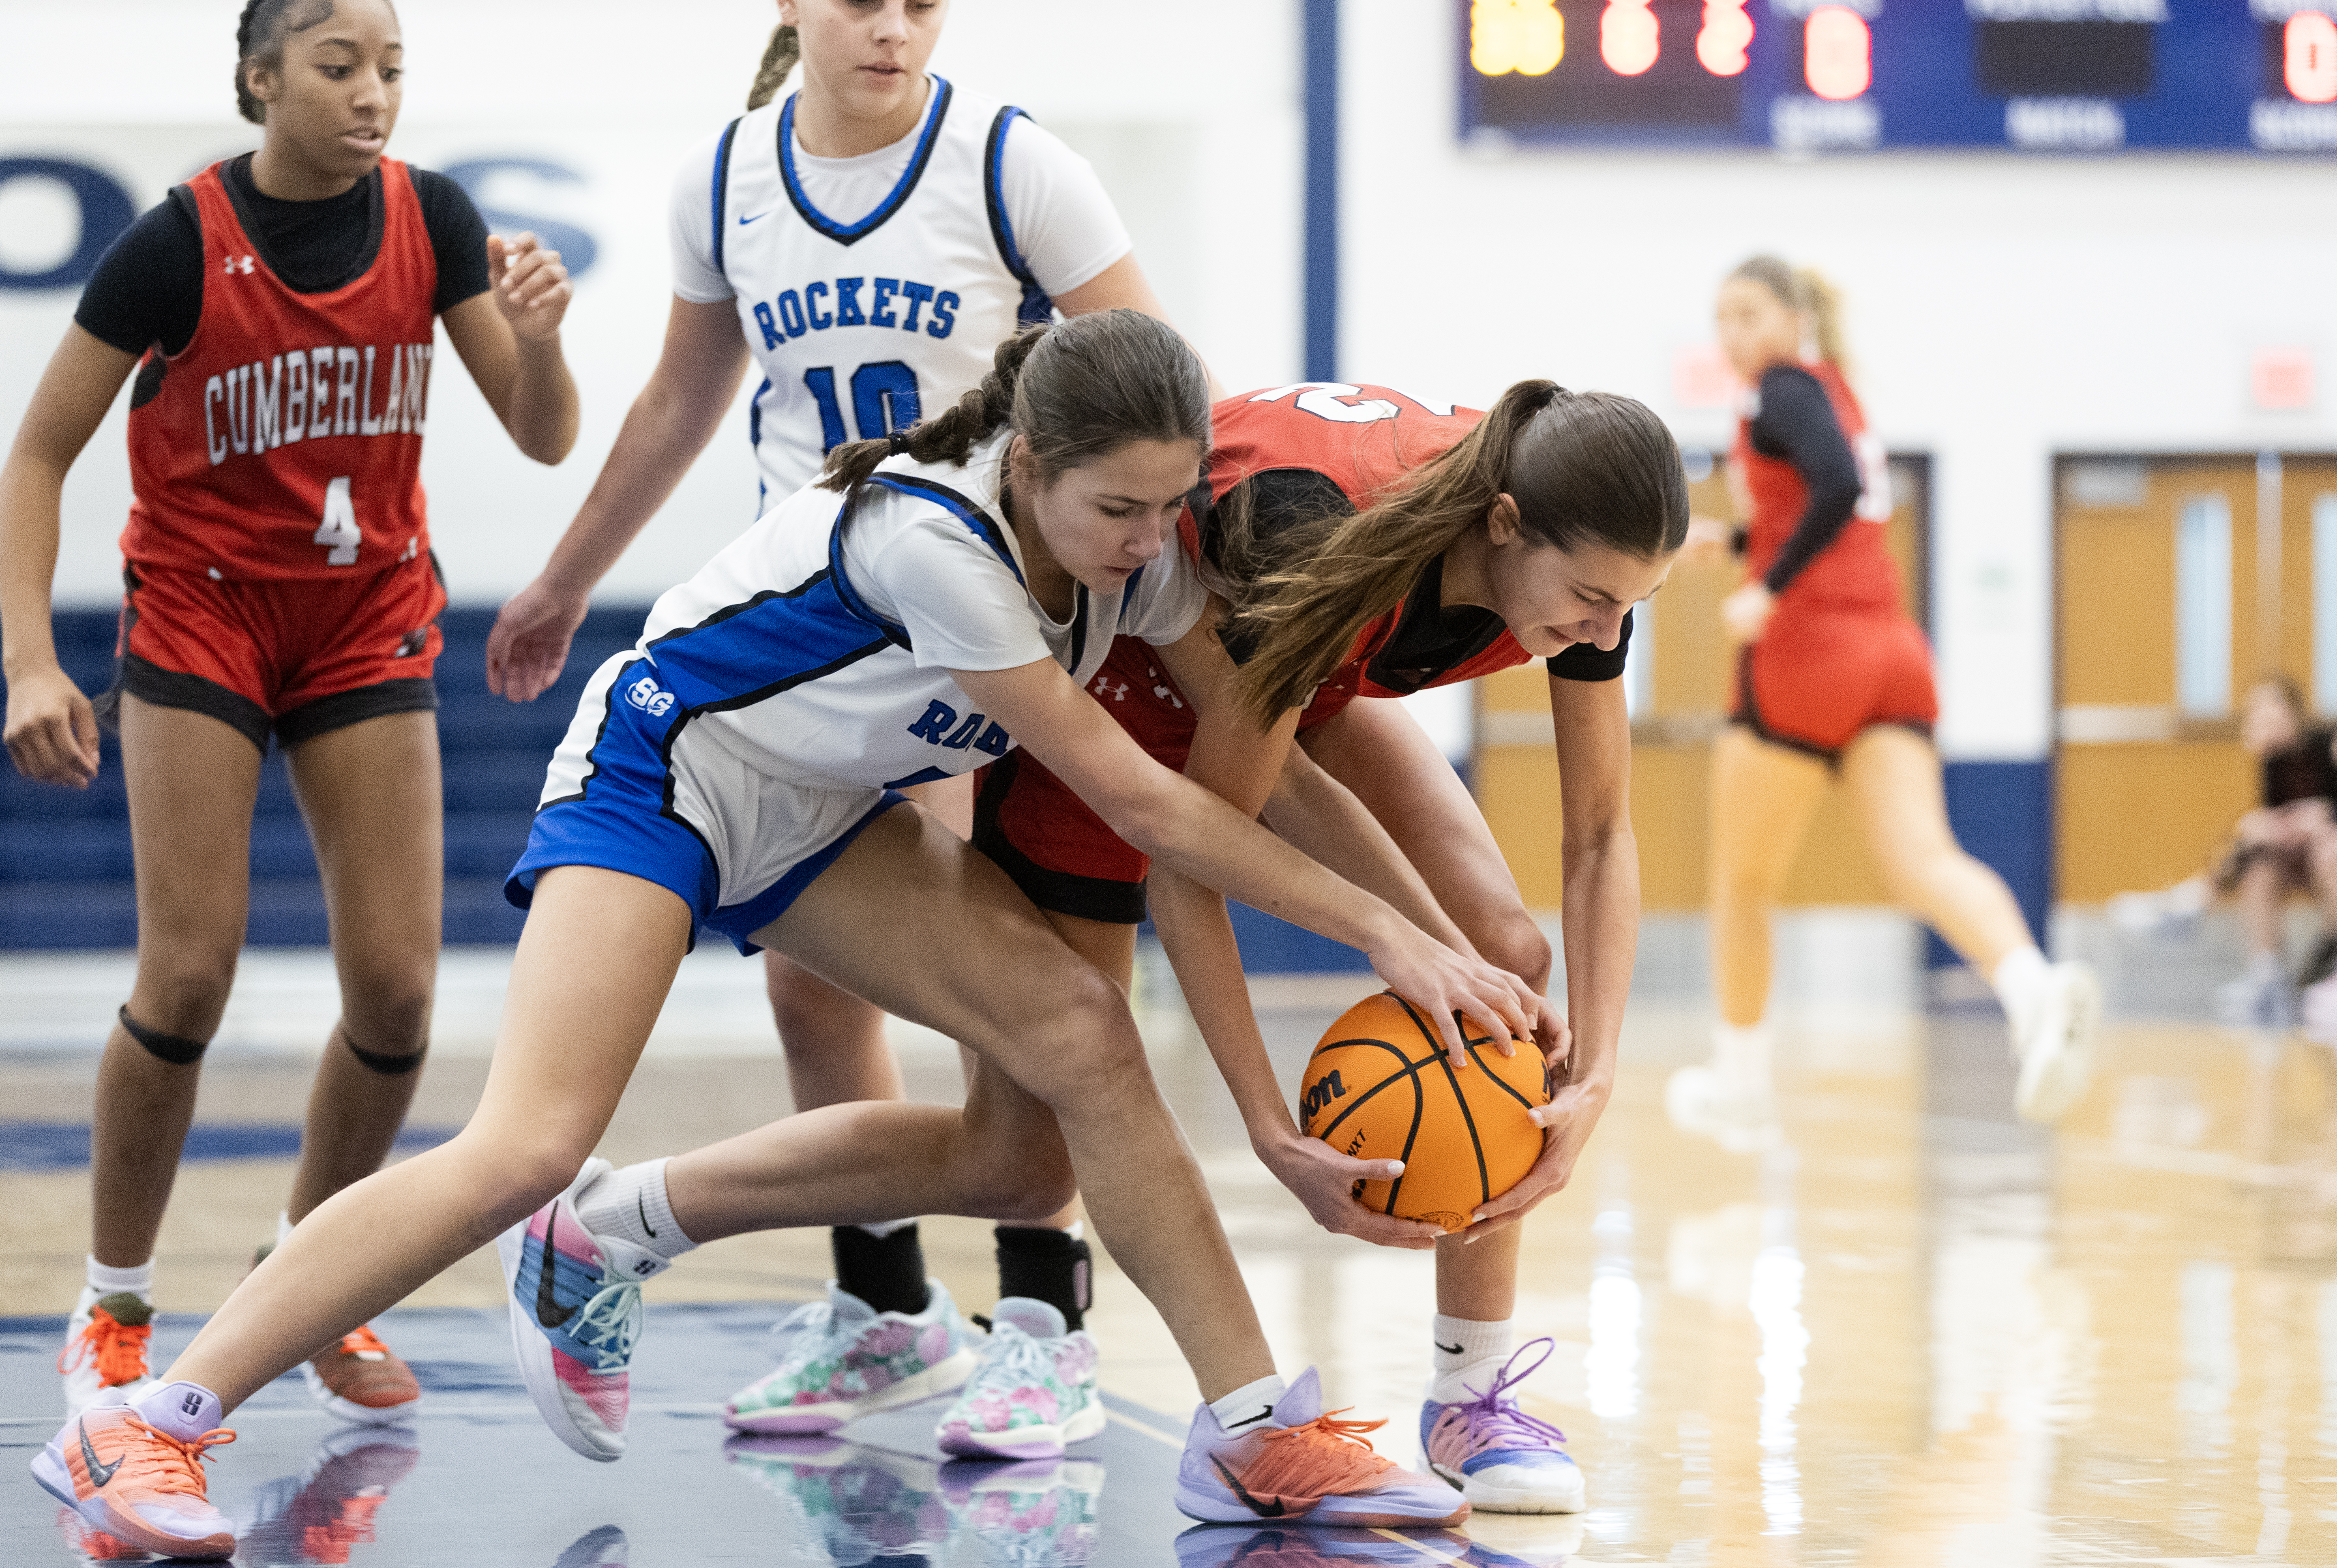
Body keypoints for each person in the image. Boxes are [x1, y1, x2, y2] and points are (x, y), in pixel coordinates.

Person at [33, 315, 1542, 1557]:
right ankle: (146, 1416)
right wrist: (1387, 935)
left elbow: (1254, 747)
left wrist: (1414, 917)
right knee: (526, 1141)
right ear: (1030, 463)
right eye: (1118, 511)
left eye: (1173, 507)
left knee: (1063, 1081)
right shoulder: (936, 541)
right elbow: (1149, 803)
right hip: (662, 778)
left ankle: (1253, 1429)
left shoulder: (1136, 551)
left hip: (818, 810)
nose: (1151, 544)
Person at [479, 0, 1197, 1403]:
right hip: (825, 620)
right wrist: (566, 579)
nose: (893, 26)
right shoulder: (724, 179)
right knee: (816, 984)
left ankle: (1042, 1326)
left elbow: (1166, 397)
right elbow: (679, 402)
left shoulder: (1010, 163)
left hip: (1000, 613)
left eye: (921, 3)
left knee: (1018, 990)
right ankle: (886, 1308)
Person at [909, 376, 1680, 1508]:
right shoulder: (1319, 526)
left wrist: (1598, 1074)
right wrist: (1271, 1129)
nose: (1605, 632)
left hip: (1284, 662)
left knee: (1497, 958)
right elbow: (1191, 857)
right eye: (1590, 599)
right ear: (1504, 526)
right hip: (1122, 680)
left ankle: (1470, 1394)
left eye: (1633, 605)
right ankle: (1039, 1324)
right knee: (1053, 1102)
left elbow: (1602, 831)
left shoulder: (1570, 528)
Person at [0, 0, 576, 1429]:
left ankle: (311, 1279)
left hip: (362, 613)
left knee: (397, 989)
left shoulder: (430, 218)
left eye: (390, 67)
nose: (372, 91)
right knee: (186, 972)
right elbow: (37, 454)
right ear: (261, 80)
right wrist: (28, 661)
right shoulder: (176, 242)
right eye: (339, 66)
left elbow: (543, 430)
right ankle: (114, 1304)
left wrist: (541, 339)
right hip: (204, 609)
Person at [1665, 257, 2099, 1145]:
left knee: (1741, 883)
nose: (1731, 335)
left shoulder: (1777, 393)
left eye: (1747, 313)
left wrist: (1766, 586)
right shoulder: (1836, 389)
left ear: (1792, 317)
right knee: (1922, 862)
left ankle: (1740, 1084)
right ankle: (2030, 992)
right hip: (1890, 647)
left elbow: (1825, 488)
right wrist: (1745, 540)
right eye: (1720, 319)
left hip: (1808, 652)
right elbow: (1837, 501)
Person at [2118, 675, 2337, 1025]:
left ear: (2291, 713)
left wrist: (2321, 816)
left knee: (2329, 849)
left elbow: (2321, 815)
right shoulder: (2275, 763)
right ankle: (2267, 976)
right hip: (2302, 856)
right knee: (2258, 860)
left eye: (2266, 715)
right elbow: (2283, 824)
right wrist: (2279, 827)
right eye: (2253, 718)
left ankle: (2194, 901)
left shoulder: (2325, 746)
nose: (2258, 725)